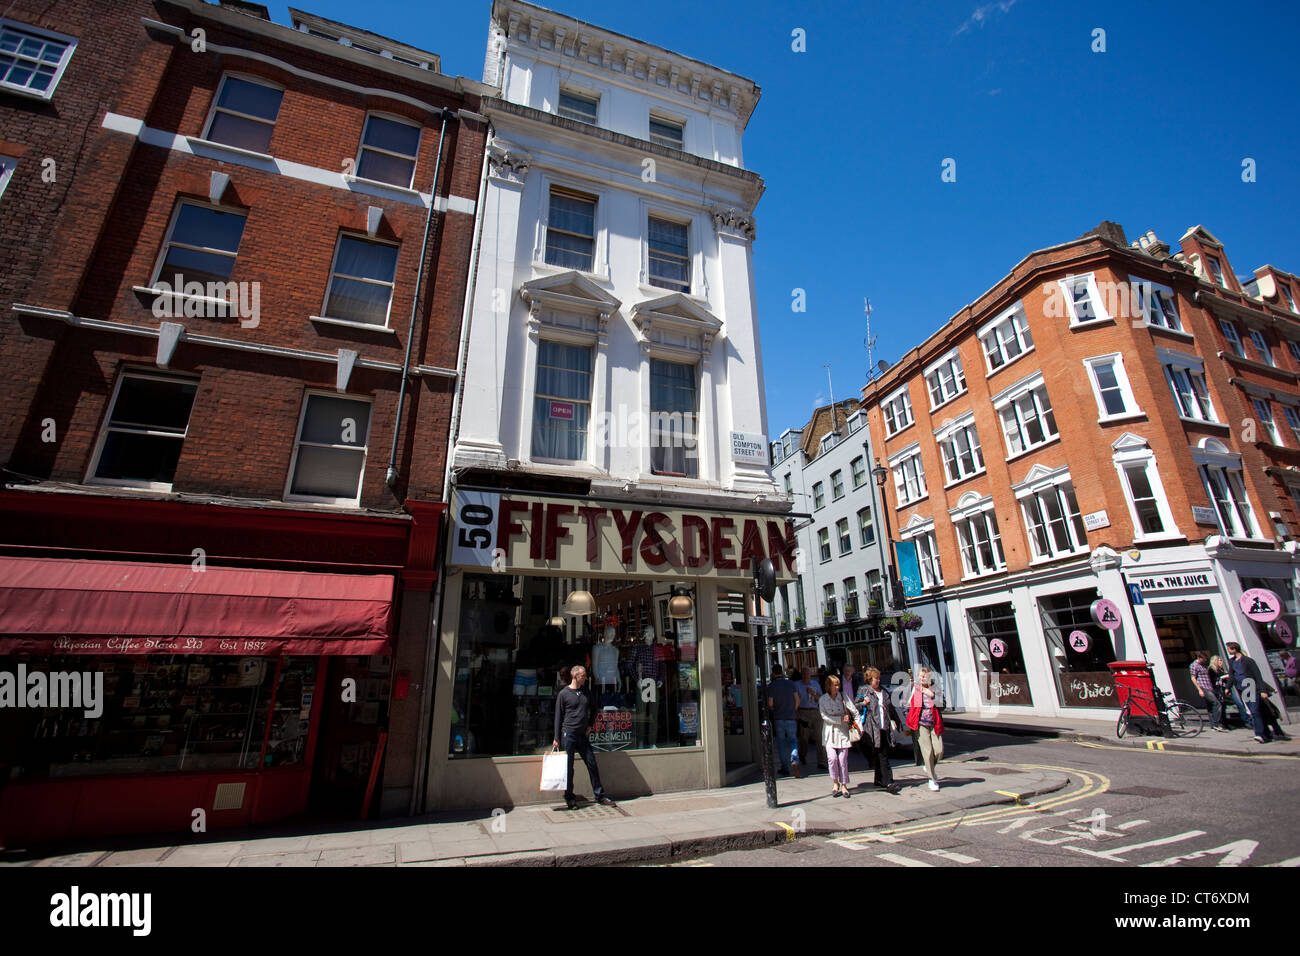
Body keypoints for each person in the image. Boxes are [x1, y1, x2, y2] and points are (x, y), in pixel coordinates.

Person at [552, 665, 616, 809]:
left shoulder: (586, 691)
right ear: (575, 676)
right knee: (569, 768)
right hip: (568, 735)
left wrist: (590, 725)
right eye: (583, 676)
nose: (585, 678)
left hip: (582, 734)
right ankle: (569, 797)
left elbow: (594, 709)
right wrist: (556, 737)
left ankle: (600, 795)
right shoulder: (564, 694)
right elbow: (558, 716)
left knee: (592, 763)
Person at [1226, 642, 1291, 743]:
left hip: (1251, 687)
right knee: (1258, 711)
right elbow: (1231, 675)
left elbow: (1258, 676)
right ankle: (1268, 734)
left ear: (1234, 649)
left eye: (1229, 649)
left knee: (1255, 711)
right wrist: (1228, 688)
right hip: (1242, 689)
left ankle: (1259, 734)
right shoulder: (1232, 662)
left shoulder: (1248, 661)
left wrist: (1263, 691)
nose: (1228, 651)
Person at [857, 667, 901, 793]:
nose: (878, 680)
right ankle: (889, 782)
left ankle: (879, 779)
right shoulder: (864, 690)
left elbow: (890, 708)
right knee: (882, 754)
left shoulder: (884, 691)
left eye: (879, 678)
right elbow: (855, 707)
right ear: (870, 679)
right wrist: (863, 704)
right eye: (876, 678)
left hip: (884, 727)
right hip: (872, 728)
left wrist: (895, 720)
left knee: (880, 753)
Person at [819, 674, 859, 798]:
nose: (837, 687)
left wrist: (858, 726)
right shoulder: (823, 699)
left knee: (842, 760)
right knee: (832, 759)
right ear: (829, 686)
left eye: (838, 685)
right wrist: (840, 719)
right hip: (830, 733)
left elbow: (854, 711)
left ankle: (844, 785)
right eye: (834, 685)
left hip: (843, 733)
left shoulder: (843, 697)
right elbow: (824, 716)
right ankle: (835, 782)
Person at [906, 666, 944, 791]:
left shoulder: (935, 689)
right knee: (927, 752)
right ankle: (932, 780)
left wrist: (932, 695)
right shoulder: (915, 689)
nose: (922, 678)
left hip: (934, 723)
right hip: (921, 724)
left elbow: (943, 704)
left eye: (924, 676)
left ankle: (929, 767)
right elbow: (908, 704)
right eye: (920, 676)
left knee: (939, 751)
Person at [767, 665, 801, 778]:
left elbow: (770, 703)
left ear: (773, 672)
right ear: (781, 671)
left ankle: (785, 767)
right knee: (793, 741)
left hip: (779, 717)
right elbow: (797, 700)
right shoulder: (791, 683)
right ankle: (794, 759)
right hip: (791, 716)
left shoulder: (772, 686)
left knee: (781, 743)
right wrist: (793, 710)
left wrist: (773, 709)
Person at [796, 667, 826, 769]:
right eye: (804, 674)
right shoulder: (797, 685)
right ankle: (802, 754)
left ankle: (821, 761)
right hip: (803, 711)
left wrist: (813, 694)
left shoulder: (815, 684)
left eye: (807, 674)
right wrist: (797, 714)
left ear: (810, 675)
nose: (806, 676)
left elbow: (821, 699)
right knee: (804, 738)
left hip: (815, 711)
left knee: (819, 736)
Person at [1190, 651, 1227, 732]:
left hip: (1209, 687)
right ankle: (1217, 723)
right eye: (1204, 658)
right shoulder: (1194, 665)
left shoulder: (1202, 665)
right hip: (1203, 687)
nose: (1206, 660)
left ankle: (1213, 725)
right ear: (1199, 658)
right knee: (1216, 703)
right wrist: (1199, 690)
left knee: (1210, 706)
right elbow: (1193, 678)